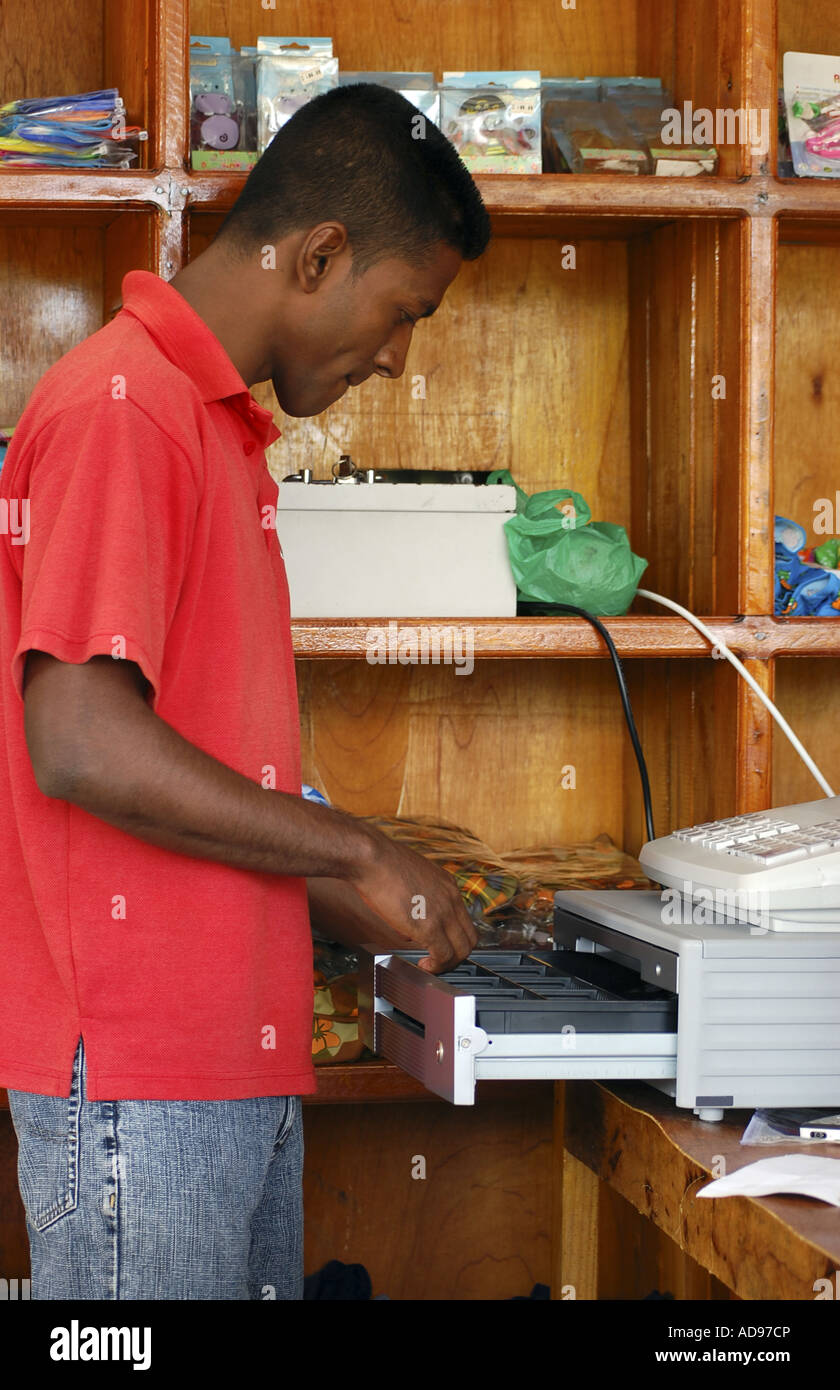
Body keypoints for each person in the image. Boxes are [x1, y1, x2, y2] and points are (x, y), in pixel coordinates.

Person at [0, 82, 490, 1300]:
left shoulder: (213, 427)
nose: (397, 352)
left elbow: (197, 752)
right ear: (321, 253)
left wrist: (348, 872)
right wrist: (355, 852)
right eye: (404, 311)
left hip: (221, 1069)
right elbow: (80, 741)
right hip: (139, 1088)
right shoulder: (128, 409)